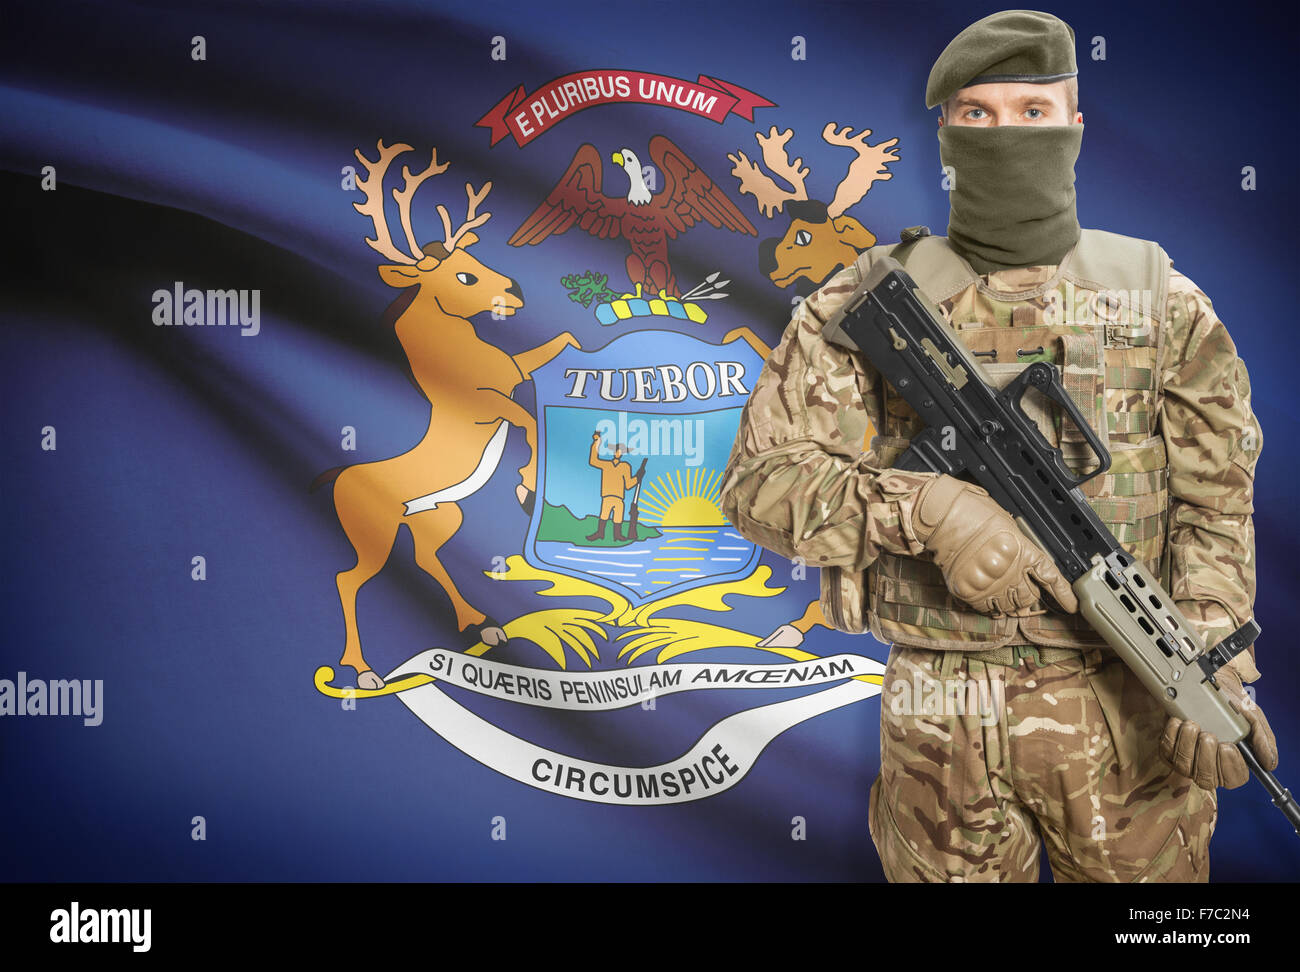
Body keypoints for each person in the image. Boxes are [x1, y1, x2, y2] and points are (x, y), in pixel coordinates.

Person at [719, 9, 1279, 881]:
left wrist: (1204, 661)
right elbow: (760, 483)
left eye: (1033, 111)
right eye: (977, 114)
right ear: (943, 130)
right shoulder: (870, 296)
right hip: (938, 722)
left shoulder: (1164, 300)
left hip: (1127, 723)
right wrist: (931, 509)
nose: (1005, 133)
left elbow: (1218, 503)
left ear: (1075, 128)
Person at [586, 431, 640, 541]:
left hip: (619, 498)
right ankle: (600, 533)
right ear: (614, 452)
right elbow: (593, 460)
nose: (618, 453)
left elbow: (629, 485)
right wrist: (597, 442)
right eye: (617, 451)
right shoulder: (606, 465)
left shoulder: (625, 467)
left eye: (620, 451)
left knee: (618, 518)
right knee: (604, 516)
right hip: (607, 496)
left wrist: (638, 477)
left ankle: (618, 535)